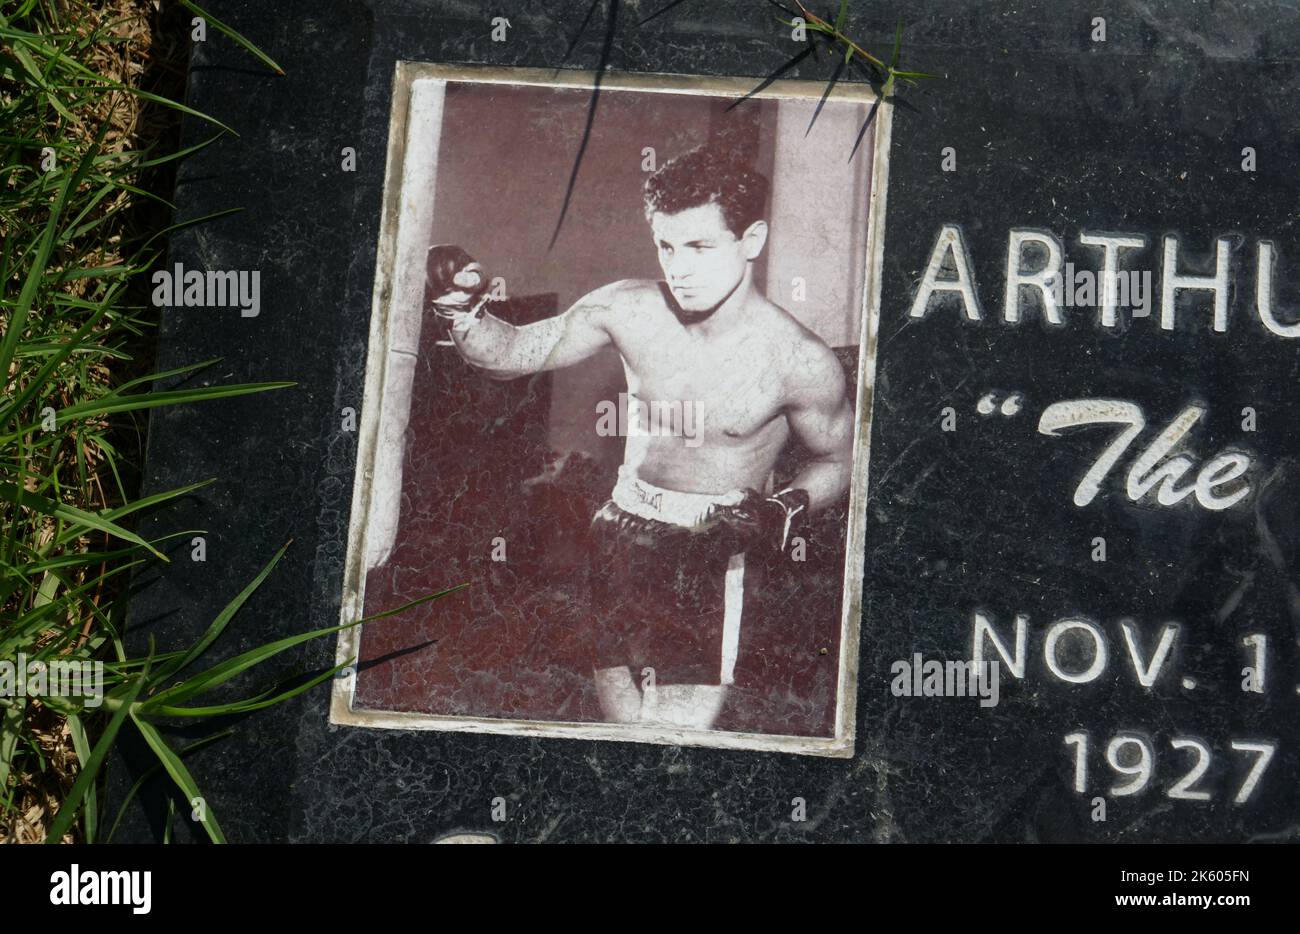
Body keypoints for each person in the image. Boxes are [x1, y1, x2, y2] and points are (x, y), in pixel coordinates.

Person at [426, 144, 854, 730]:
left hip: (707, 546)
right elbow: (511, 353)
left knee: (672, 739)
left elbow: (839, 458)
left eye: (701, 247)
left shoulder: (798, 361)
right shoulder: (628, 308)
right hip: (619, 527)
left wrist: (785, 507)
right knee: (620, 726)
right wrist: (461, 312)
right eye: (667, 246)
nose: (680, 268)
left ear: (751, 241)